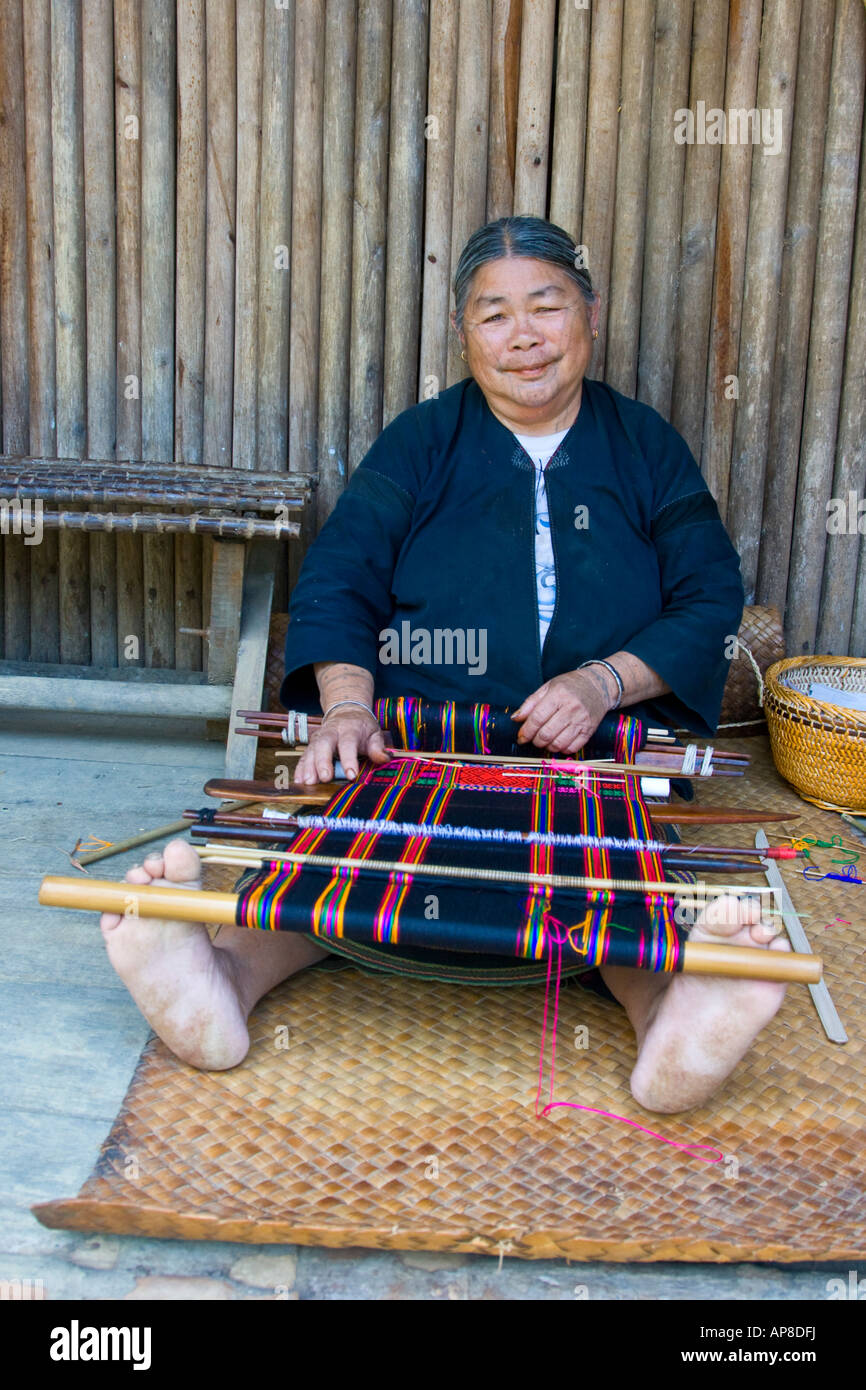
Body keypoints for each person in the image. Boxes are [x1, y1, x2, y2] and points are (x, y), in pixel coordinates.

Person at [100, 217, 789, 1113]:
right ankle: (221, 980)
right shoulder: (422, 441)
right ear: (464, 333)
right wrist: (347, 709)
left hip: (597, 753)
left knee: (607, 874)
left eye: (547, 306)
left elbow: (709, 597)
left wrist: (601, 683)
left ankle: (670, 1013)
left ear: (590, 313)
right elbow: (340, 579)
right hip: (424, 744)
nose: (524, 336)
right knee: (351, 857)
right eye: (494, 315)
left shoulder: (645, 446)